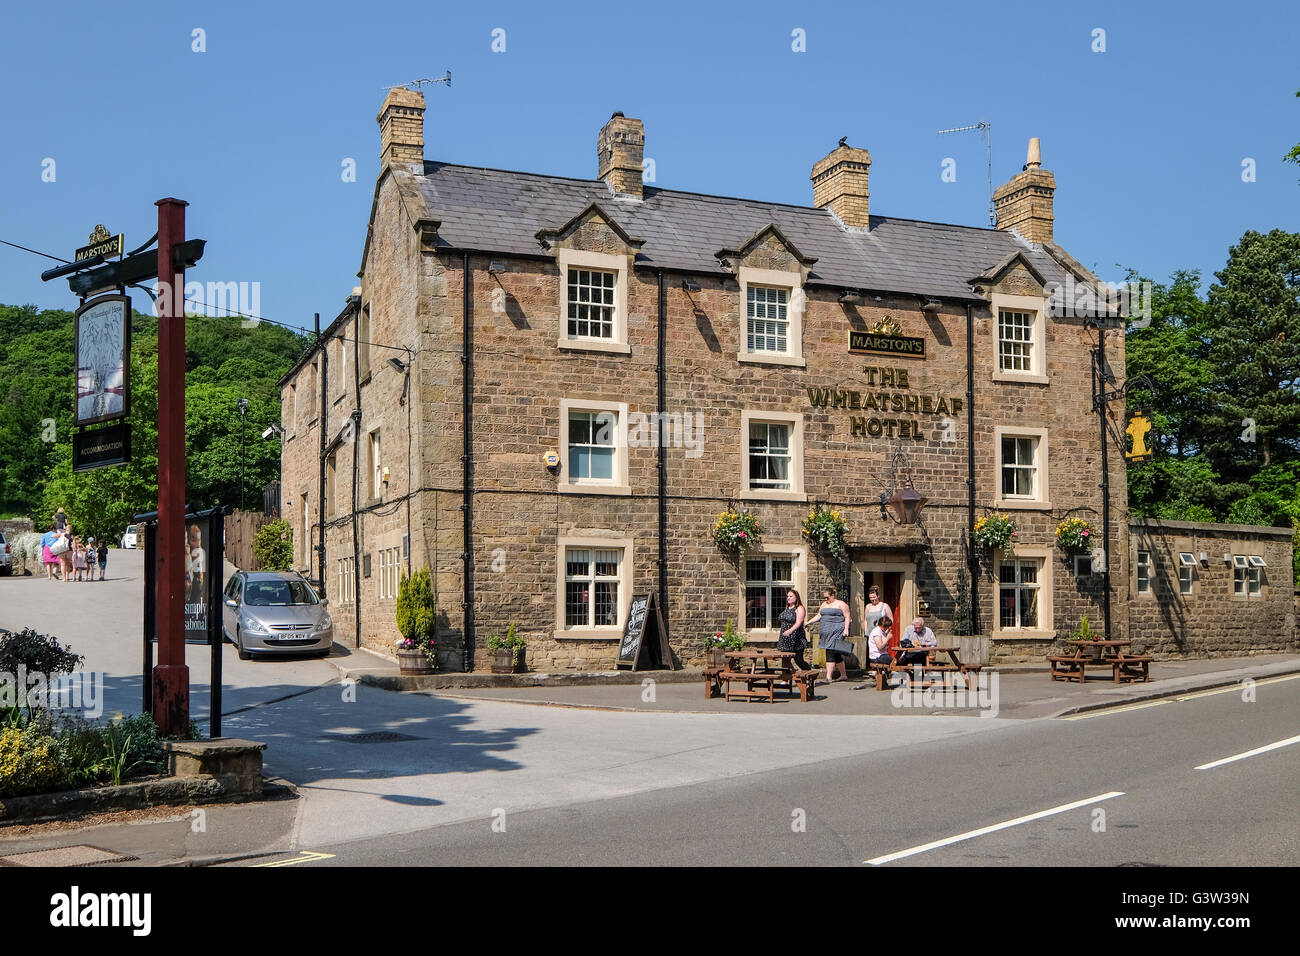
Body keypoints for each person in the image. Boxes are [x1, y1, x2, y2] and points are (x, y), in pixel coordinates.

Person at [806, 585, 852, 683]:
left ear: (833, 595)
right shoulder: (823, 605)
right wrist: (808, 622)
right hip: (826, 632)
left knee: (830, 651)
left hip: (837, 631)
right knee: (836, 654)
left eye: (827, 597)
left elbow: (847, 616)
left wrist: (846, 629)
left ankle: (828, 677)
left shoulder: (841, 604)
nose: (826, 599)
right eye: (824, 597)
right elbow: (819, 615)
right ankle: (843, 675)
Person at [777, 588, 810, 671]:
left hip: (796, 638)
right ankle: (786, 679)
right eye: (787, 596)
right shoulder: (787, 607)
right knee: (785, 660)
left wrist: (790, 630)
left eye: (791, 596)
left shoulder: (799, 608)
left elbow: (799, 622)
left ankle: (809, 675)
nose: (788, 598)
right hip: (785, 638)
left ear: (796, 597)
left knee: (798, 660)